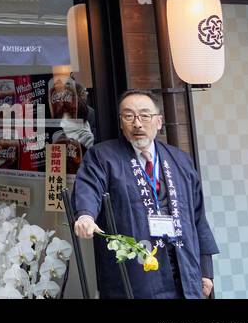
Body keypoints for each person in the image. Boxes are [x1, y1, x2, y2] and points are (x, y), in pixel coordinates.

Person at [72, 89, 218, 299]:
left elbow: (198, 218)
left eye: (145, 115)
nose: (137, 123)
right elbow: (89, 187)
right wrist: (85, 215)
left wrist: (205, 270)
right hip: (137, 275)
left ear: (158, 121)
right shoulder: (103, 156)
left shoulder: (180, 160)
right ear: (121, 123)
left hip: (184, 269)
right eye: (129, 116)